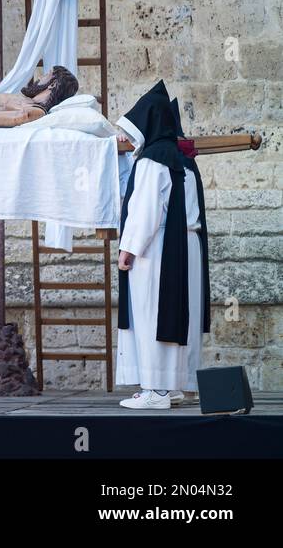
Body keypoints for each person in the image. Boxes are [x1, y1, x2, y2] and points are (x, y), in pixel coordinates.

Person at [114, 82, 208, 410]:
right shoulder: (183, 158)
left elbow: (146, 212)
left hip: (161, 251)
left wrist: (128, 250)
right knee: (183, 315)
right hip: (187, 248)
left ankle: (156, 390)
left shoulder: (152, 161)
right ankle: (181, 385)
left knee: (154, 313)